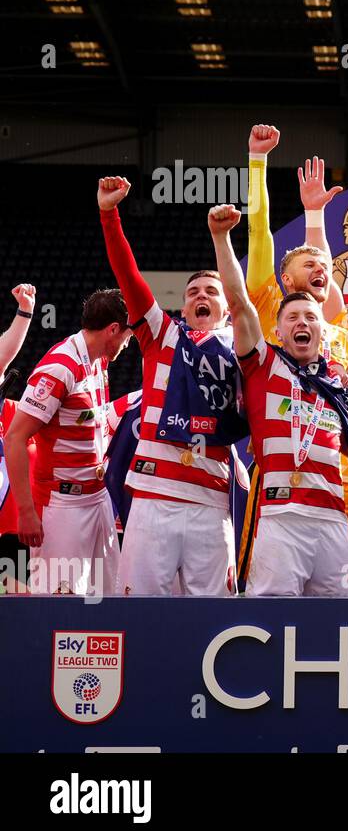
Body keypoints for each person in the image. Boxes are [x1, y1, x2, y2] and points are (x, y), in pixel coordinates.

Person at [240, 127, 348, 593]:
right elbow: (259, 232)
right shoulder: (268, 305)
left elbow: (324, 270)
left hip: (340, 495)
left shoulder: (333, 328)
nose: (321, 269)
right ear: (283, 278)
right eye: (308, 267)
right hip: (283, 489)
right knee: (272, 602)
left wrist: (316, 213)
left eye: (325, 268)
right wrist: (258, 161)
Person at [96, 176, 245, 596]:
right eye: (193, 290)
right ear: (183, 305)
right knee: (139, 613)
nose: (202, 295)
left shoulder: (245, 346)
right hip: (153, 495)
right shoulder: (162, 333)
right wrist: (109, 214)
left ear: (227, 306)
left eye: (212, 291)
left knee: (213, 619)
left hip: (211, 500)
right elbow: (126, 273)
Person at [210, 204, 348, 597]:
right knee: (272, 620)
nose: (302, 324)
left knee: (340, 624)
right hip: (281, 515)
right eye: (292, 318)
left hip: (334, 520)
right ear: (276, 329)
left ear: (323, 332)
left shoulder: (337, 385)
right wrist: (221, 238)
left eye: (310, 318)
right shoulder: (263, 365)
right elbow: (240, 303)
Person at [4, 289, 132, 595]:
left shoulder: (98, 360)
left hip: (97, 499)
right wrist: (25, 511)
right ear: (112, 329)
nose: (128, 345)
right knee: (58, 607)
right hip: (63, 506)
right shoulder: (59, 368)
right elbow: (14, 438)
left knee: (109, 596)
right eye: (128, 336)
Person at [0, 283, 37, 588]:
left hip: (14, 526)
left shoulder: (17, 413)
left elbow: (5, 352)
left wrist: (25, 311)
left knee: (19, 598)